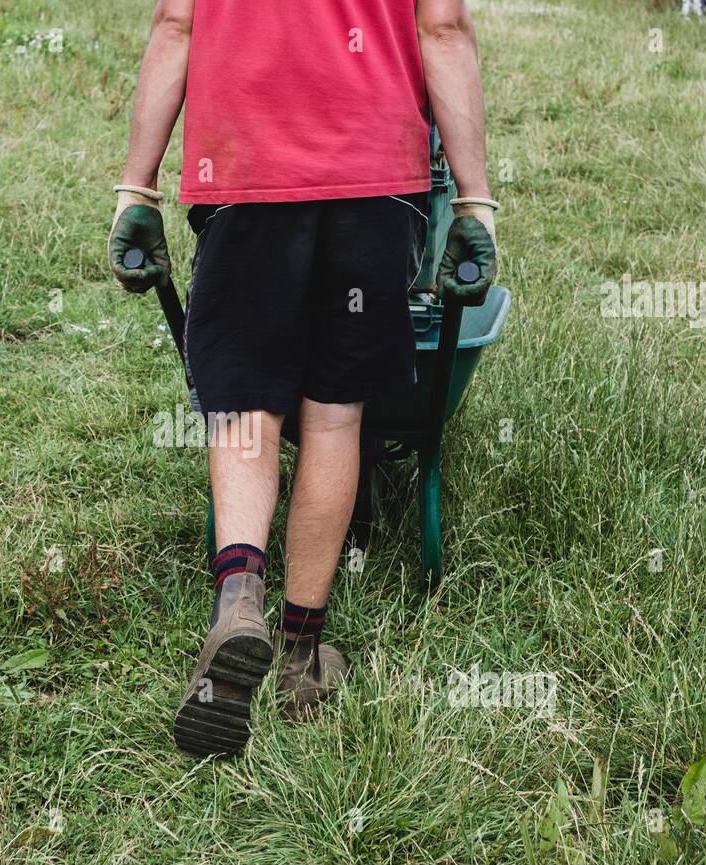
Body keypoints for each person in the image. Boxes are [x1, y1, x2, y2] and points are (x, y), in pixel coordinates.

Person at [109, 0, 498, 756]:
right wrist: (475, 202)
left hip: (244, 165)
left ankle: (240, 598)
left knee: (245, 410)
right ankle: (301, 656)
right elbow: (444, 29)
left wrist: (138, 186)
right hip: (374, 176)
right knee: (334, 415)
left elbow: (174, 25)